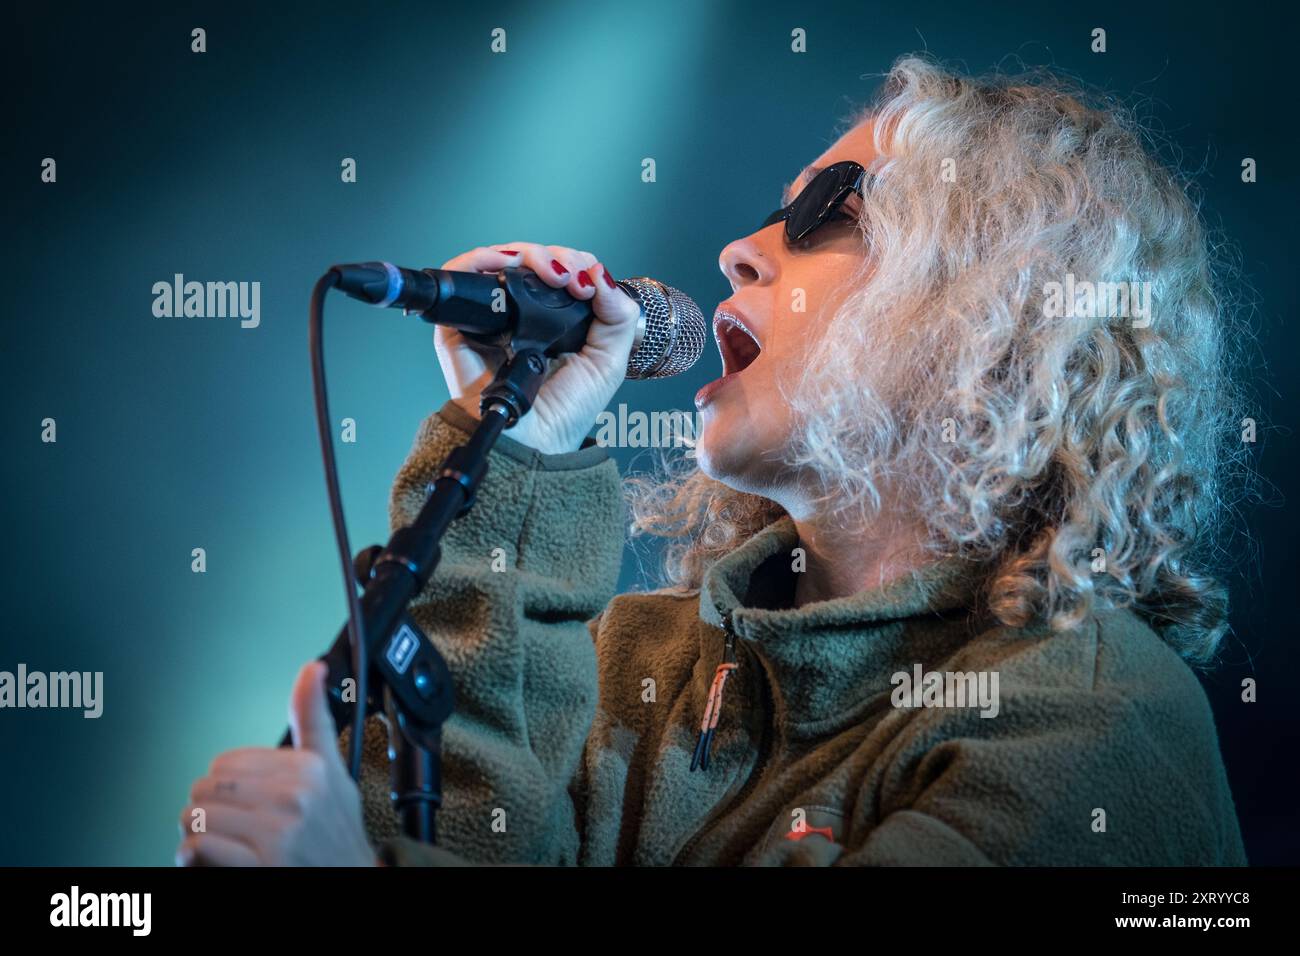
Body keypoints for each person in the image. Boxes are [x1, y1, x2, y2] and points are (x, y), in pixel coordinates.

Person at [177, 55, 1249, 866]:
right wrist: (523, 444)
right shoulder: (643, 666)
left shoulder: (1096, 716)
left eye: (831, 208)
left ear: (998, 315)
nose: (742, 246)